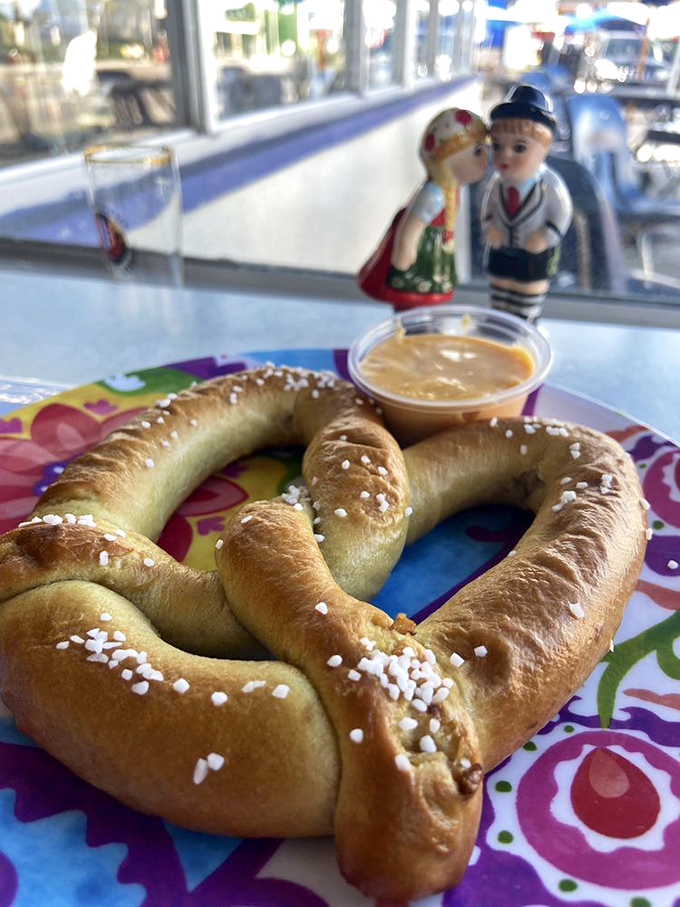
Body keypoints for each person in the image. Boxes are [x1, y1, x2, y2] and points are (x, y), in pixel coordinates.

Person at [358, 108, 487, 311]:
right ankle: (409, 327)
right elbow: (411, 227)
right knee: (411, 296)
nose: (485, 158)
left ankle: (417, 325)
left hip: (434, 250)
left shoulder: (450, 189)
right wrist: (405, 251)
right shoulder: (435, 194)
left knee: (423, 301)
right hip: (421, 255)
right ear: (450, 155)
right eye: (478, 151)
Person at [481, 84, 572, 322]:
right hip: (501, 250)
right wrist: (489, 226)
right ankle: (497, 321)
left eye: (519, 148)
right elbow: (488, 209)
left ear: (544, 148)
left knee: (526, 293)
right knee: (499, 288)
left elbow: (562, 214)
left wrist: (545, 236)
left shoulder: (550, 184)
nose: (504, 156)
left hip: (533, 256)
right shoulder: (496, 183)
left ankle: (525, 325)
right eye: (497, 146)